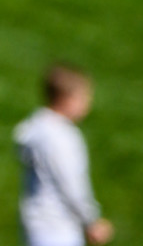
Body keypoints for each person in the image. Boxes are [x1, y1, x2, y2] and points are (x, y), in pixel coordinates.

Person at [14, 63, 114, 246]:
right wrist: (91, 220)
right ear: (68, 99)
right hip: (58, 227)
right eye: (85, 97)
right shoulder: (61, 136)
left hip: (35, 224)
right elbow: (70, 183)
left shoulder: (35, 128)